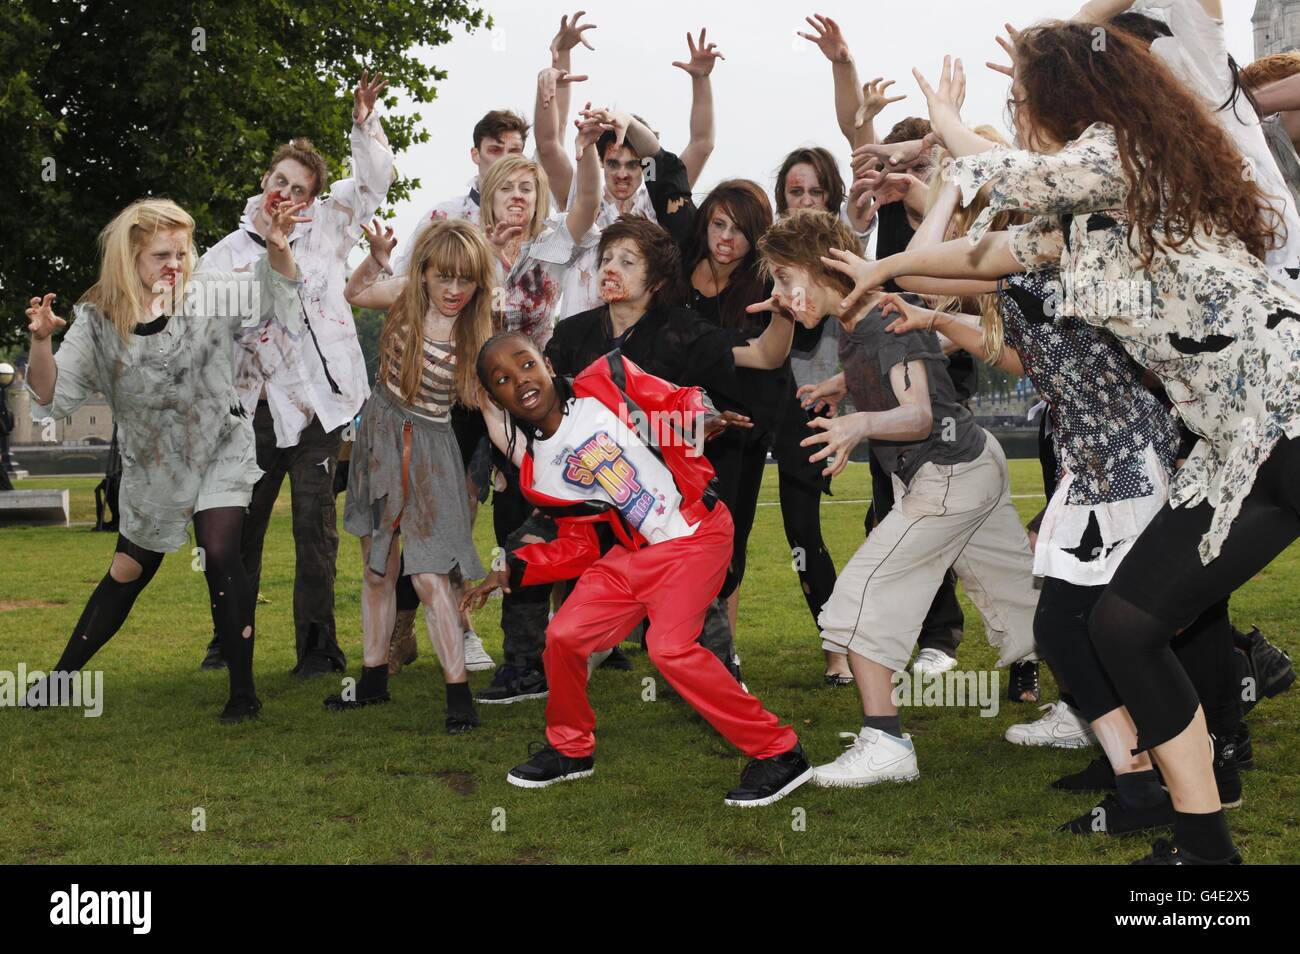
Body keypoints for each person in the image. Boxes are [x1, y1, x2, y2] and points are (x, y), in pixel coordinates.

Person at [838, 24, 1300, 864]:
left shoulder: (1129, 159)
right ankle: (1204, 851)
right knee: (1124, 625)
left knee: (1127, 622)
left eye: (1025, 98)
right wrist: (881, 270)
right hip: (1238, 454)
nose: (1018, 115)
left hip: (1289, 417)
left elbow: (1020, 174)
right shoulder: (1087, 221)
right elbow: (991, 249)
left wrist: (947, 123)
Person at [462, 333, 811, 806]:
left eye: (525, 365)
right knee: (564, 635)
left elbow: (676, 397)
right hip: (634, 555)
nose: (519, 380)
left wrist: (699, 416)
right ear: (494, 397)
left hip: (696, 533)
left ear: (545, 363)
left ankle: (780, 752)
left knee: (667, 648)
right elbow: (580, 546)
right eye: (502, 379)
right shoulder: (538, 474)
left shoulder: (606, 380)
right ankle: (571, 749)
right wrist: (512, 570)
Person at [760, 209, 1040, 789]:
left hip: (947, 473)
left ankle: (885, 742)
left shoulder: (884, 316)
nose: (783, 297)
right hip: (971, 461)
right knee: (1025, 597)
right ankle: (1092, 707)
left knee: (863, 591)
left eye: (787, 280)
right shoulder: (853, 317)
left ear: (824, 267)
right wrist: (842, 387)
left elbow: (917, 415)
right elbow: (890, 370)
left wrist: (857, 425)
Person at [23, 197, 306, 722]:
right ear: (130, 258)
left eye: (182, 252)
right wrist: (42, 342)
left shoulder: (208, 294)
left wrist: (278, 245)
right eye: (161, 255)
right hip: (155, 465)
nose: (175, 265)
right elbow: (50, 396)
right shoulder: (97, 320)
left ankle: (242, 693)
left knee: (220, 550)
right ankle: (60, 680)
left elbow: (278, 295)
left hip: (220, 443)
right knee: (129, 569)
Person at [196, 72, 394, 678]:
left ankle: (318, 649)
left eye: (300, 187)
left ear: (311, 198)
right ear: (266, 182)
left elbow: (372, 185)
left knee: (315, 525)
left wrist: (364, 126)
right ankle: (229, 640)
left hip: (320, 409)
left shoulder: (329, 230)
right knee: (240, 530)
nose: (287, 192)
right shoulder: (226, 253)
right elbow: (208, 329)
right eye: (279, 180)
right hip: (252, 411)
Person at [542, 214, 796, 677]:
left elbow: (765, 355)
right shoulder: (572, 333)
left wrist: (784, 313)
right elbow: (549, 406)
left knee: (689, 589)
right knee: (536, 543)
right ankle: (528, 665)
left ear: (656, 280)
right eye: (606, 259)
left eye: (627, 260)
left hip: (662, 498)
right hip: (591, 490)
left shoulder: (681, 330)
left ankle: (720, 675)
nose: (610, 269)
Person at [332, 219, 494, 733]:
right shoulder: (403, 294)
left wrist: (525, 454)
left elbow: (491, 410)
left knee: (428, 576)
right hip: (379, 433)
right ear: (423, 272)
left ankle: (458, 695)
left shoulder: (478, 332)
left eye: (464, 281)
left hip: (432, 448)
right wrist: (377, 257)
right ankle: (373, 681)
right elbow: (354, 292)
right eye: (443, 277)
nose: (453, 290)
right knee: (378, 568)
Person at [471, 129, 605, 705]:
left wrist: (588, 151)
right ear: (489, 196)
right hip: (491, 410)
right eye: (509, 188)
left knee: (567, 525)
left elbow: (589, 204)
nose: (520, 197)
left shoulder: (553, 247)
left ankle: (568, 652)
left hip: (553, 411)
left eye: (529, 187)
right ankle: (520, 661)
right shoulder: (467, 254)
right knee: (514, 533)